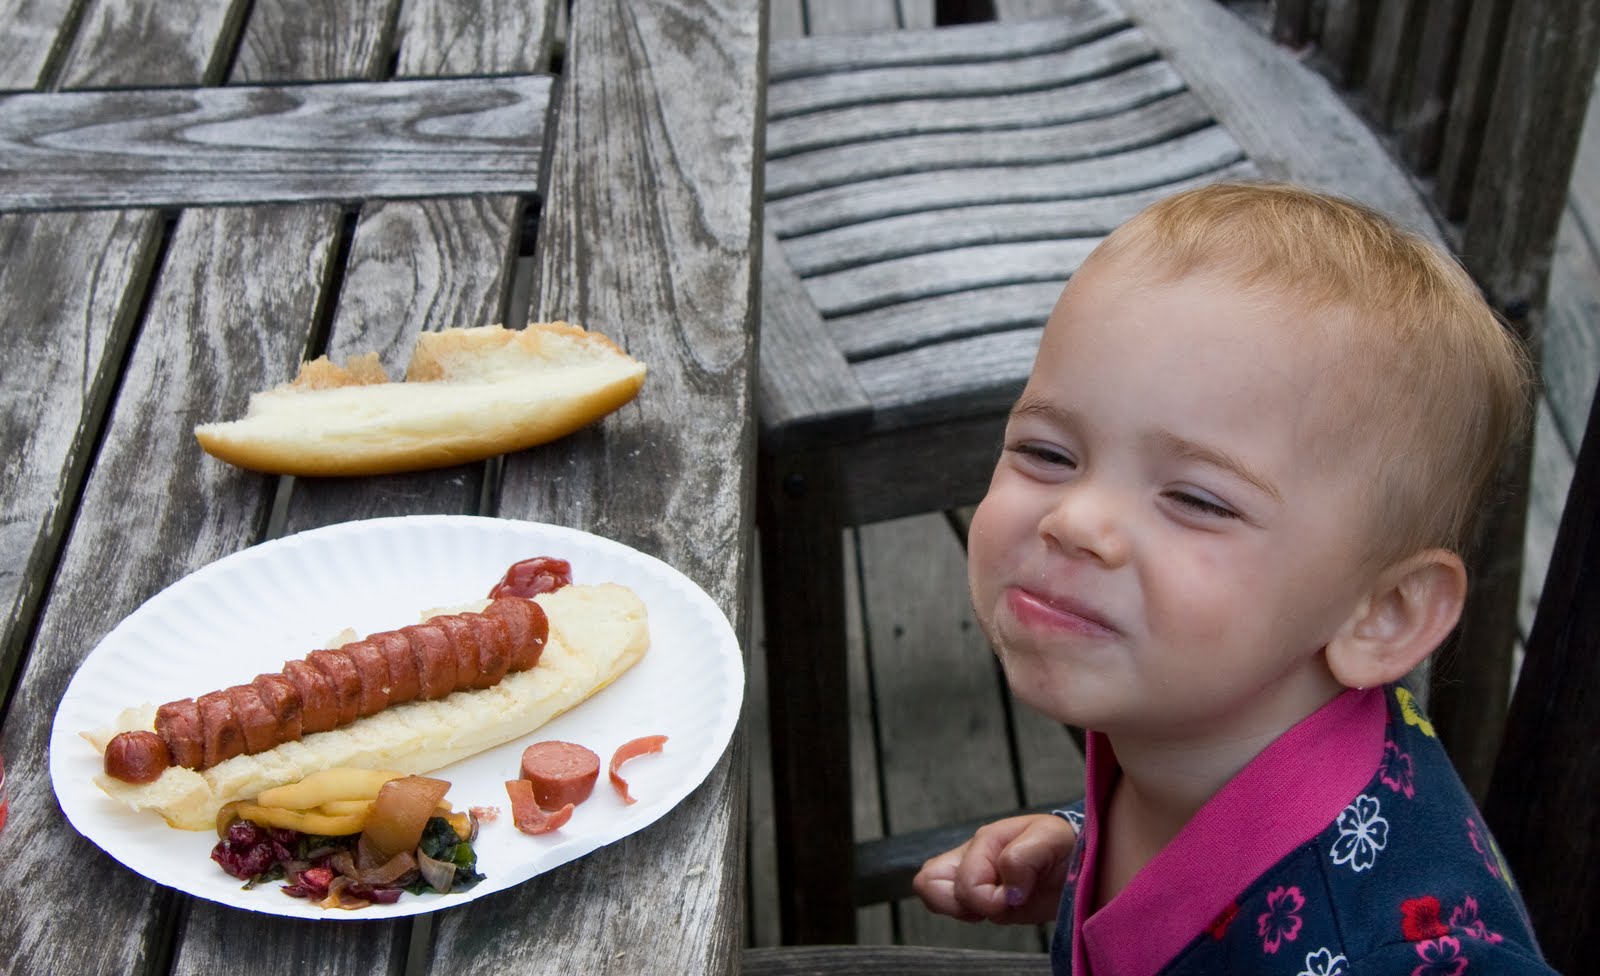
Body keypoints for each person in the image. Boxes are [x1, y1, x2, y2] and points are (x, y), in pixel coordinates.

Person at [913, 182, 1556, 975]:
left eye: (1196, 500)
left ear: (1383, 614)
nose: (1075, 521)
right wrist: (1088, 845)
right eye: (1047, 452)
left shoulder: (1391, 954)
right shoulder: (1197, 713)